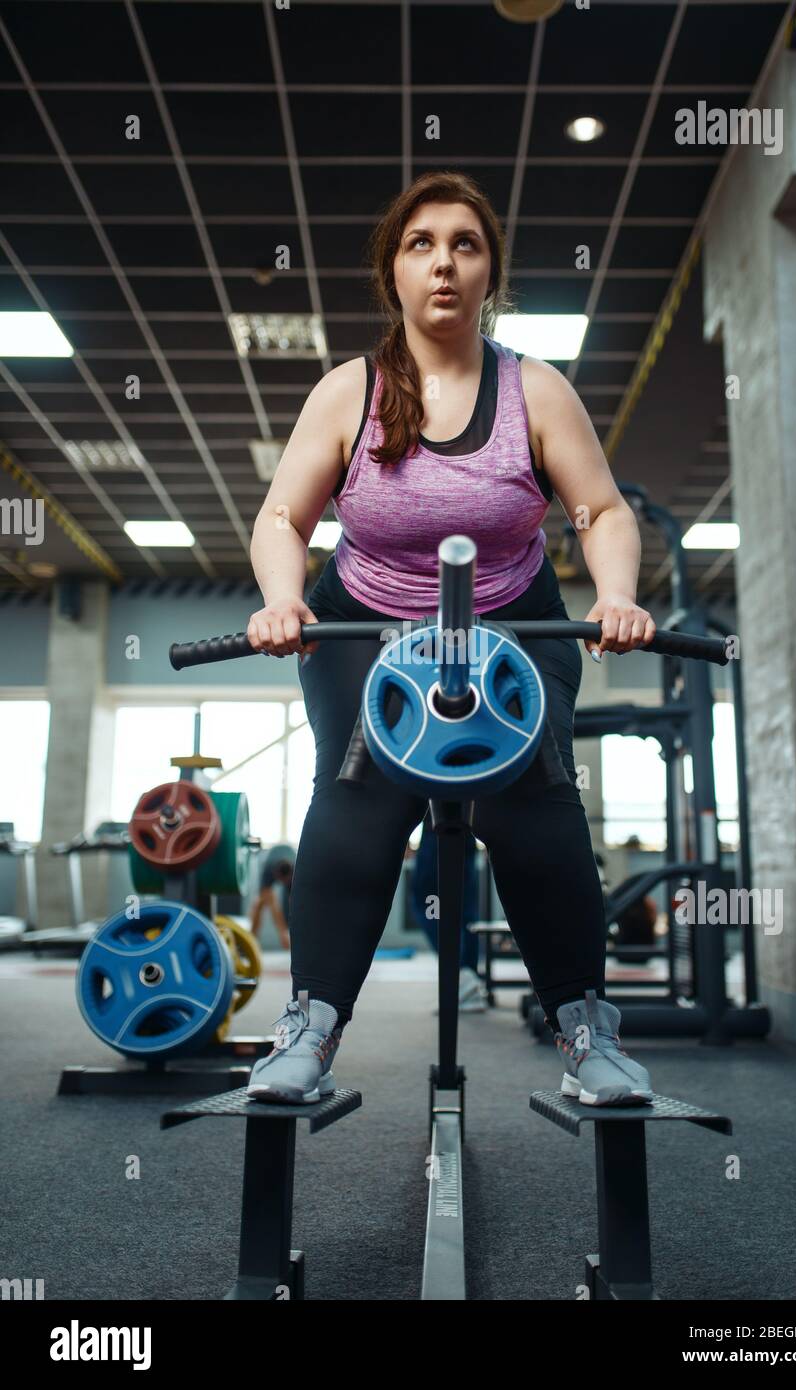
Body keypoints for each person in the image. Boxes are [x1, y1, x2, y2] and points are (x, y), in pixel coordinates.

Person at [243, 170, 657, 1108]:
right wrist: (280, 601)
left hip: (509, 613)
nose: (443, 262)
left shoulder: (535, 390)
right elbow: (281, 517)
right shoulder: (350, 390)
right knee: (356, 796)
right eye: (421, 243)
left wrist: (620, 595)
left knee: (536, 801)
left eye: (464, 244)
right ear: (393, 271)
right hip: (366, 619)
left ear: (488, 275)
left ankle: (587, 1029)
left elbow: (599, 509)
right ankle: (310, 1024)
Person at [408, 810, 485, 1012]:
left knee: (426, 901)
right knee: (464, 910)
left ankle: (461, 975)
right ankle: (468, 983)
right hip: (468, 823)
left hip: (438, 819)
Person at [249, 855, 293, 950]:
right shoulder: (269, 870)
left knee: (294, 901)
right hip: (272, 865)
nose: (283, 884)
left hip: (289, 864)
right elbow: (272, 905)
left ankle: (292, 939)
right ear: (277, 875)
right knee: (259, 904)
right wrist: (282, 932)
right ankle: (251, 938)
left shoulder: (295, 870)